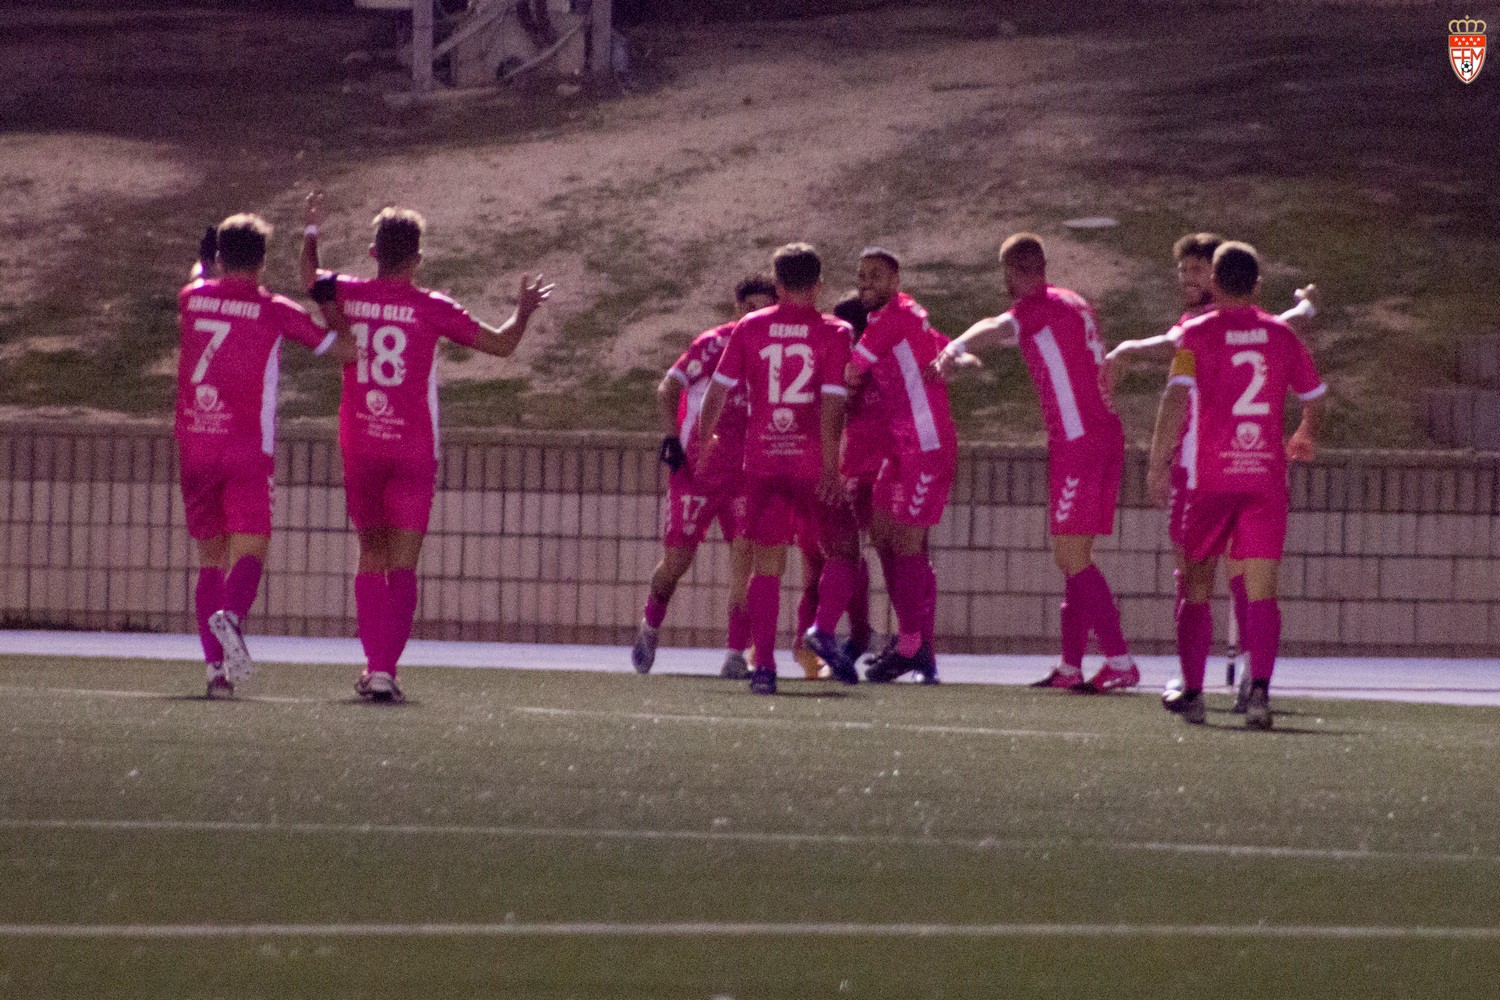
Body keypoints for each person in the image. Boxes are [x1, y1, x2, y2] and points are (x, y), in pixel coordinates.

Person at [301, 194, 553, 702]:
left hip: (360, 441)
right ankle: (385, 671)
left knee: (370, 553)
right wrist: (522, 312)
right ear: (417, 259)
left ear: (373, 252)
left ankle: (373, 665)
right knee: (403, 564)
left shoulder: (345, 292)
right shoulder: (431, 307)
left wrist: (310, 231)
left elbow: (310, 276)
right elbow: (503, 345)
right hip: (413, 449)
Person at [1105, 232, 1318, 713]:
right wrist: (1303, 312)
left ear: (1216, 280)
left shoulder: (1197, 333)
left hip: (1203, 474)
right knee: (1248, 579)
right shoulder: (1257, 329)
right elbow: (1280, 340)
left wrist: (1154, 463)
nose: (1189, 278)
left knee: (1203, 580)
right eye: (1183, 270)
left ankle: (1206, 681)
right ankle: (1252, 679)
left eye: (1199, 270)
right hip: (1254, 474)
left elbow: (1173, 388)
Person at [935, 233, 1139, 693]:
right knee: (1075, 557)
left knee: (1070, 555)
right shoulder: (1072, 300)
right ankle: (1070, 667)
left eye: (1008, 274)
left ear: (1016, 271)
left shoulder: (1037, 308)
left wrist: (954, 347)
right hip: (1098, 433)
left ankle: (1120, 659)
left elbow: (995, 326)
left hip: (1080, 440)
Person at [177, 214, 354, 697]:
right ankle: (230, 618)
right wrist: (335, 315)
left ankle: (217, 671)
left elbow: (197, 280)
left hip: (195, 444)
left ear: (218, 259)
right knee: (250, 549)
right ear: (261, 262)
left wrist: (203, 261)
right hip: (246, 449)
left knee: (210, 559)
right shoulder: (273, 309)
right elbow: (343, 352)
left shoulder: (192, 299)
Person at [696, 243, 857, 695]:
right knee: (844, 551)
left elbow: (718, 390)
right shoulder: (836, 331)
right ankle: (821, 630)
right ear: (820, 286)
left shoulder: (750, 326)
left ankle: (763, 666)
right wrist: (831, 464)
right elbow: (831, 403)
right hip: (809, 462)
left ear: (779, 285)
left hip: (762, 462)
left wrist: (705, 437)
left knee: (766, 565)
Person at [631, 275, 777, 680]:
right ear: (737, 310)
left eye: (766, 308)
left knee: (743, 563)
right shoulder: (714, 343)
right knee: (677, 562)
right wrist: (671, 439)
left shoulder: (774, 350)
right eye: (750, 308)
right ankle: (651, 624)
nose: (757, 315)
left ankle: (734, 653)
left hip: (747, 474)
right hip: (697, 473)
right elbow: (667, 389)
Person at [846, 248, 957, 684]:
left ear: (895, 280)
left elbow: (852, 372)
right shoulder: (896, 317)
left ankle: (914, 645)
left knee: (908, 543)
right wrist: (957, 355)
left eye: (875, 275)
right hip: (900, 447)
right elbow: (941, 347)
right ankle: (914, 641)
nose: (865, 283)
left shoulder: (895, 315)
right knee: (884, 535)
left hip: (925, 443)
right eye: (861, 276)